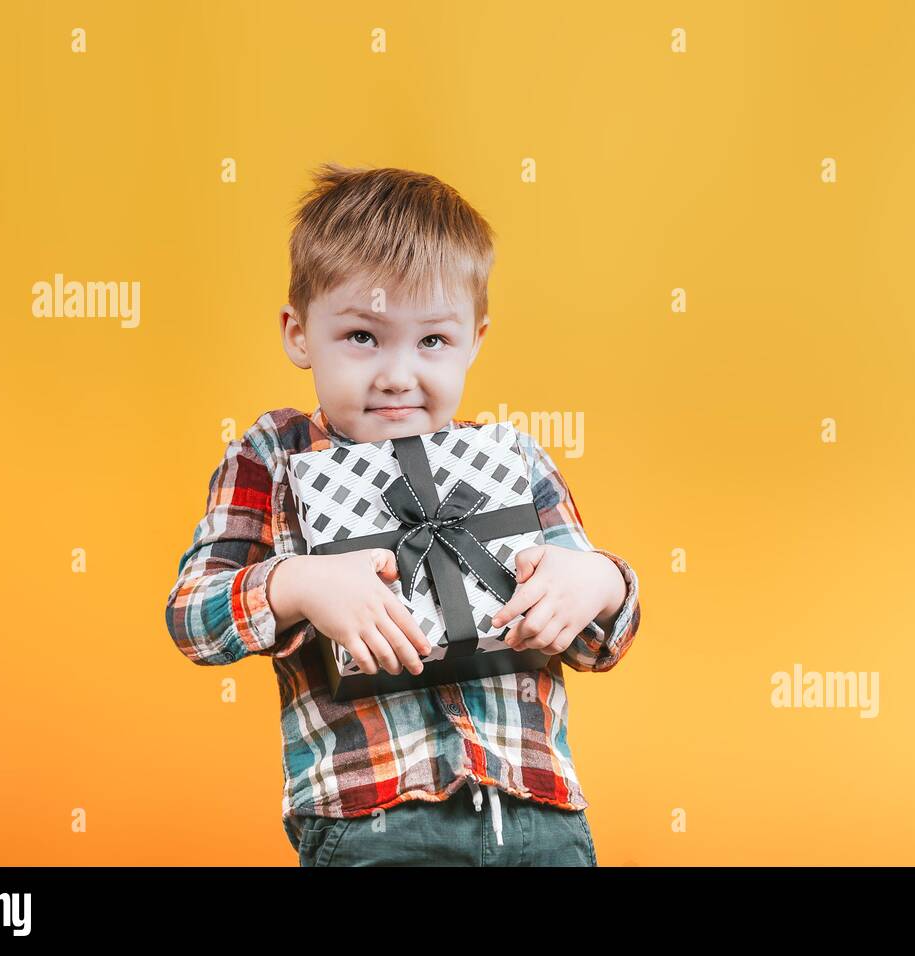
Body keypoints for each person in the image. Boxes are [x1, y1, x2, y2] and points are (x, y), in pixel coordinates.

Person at [164, 163, 641, 865]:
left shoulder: (512, 460)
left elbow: (599, 641)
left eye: (433, 341)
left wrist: (596, 582)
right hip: (375, 827)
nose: (397, 374)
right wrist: (296, 584)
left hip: (542, 822)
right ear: (299, 333)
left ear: (475, 340)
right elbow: (191, 617)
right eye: (363, 336)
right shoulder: (274, 455)